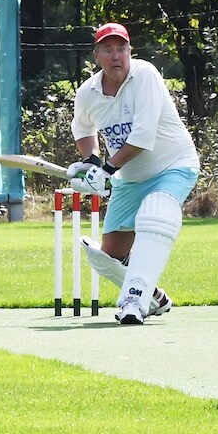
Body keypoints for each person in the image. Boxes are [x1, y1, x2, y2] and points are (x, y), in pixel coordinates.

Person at [66, 22, 199, 325]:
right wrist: (92, 164)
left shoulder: (145, 75)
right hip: (130, 178)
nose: (117, 56)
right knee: (108, 258)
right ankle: (154, 296)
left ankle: (134, 301)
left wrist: (108, 169)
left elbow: (142, 135)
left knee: (154, 214)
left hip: (172, 165)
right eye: (109, 50)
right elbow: (83, 128)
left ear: (130, 51)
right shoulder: (87, 93)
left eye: (122, 48)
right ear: (97, 55)